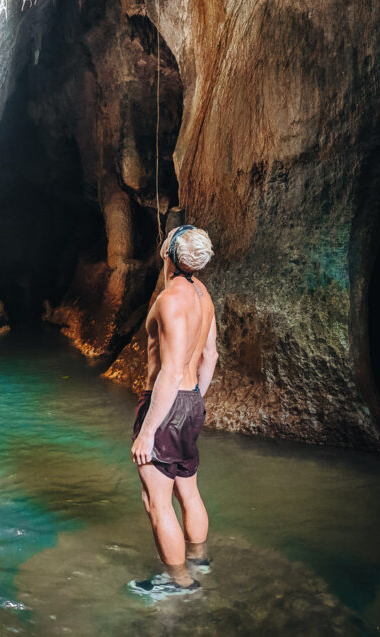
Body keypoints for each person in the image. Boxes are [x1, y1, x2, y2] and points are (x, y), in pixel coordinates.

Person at [128, 224, 218, 599]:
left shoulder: (170, 300)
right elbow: (210, 355)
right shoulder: (203, 295)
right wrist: (195, 397)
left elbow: (168, 369)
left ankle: (178, 581)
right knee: (188, 491)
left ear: (168, 254)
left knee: (156, 501)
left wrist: (148, 432)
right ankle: (199, 561)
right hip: (193, 400)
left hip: (166, 403)